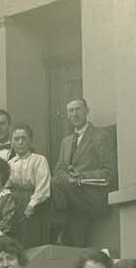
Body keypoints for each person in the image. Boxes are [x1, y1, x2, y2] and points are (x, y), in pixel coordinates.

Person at [51, 98, 118, 247]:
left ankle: (60, 227)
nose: (74, 114)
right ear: (67, 115)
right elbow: (59, 170)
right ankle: (62, 226)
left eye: (78, 109)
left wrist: (81, 177)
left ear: (87, 111)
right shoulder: (66, 142)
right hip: (71, 196)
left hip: (92, 195)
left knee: (56, 184)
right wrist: (68, 177)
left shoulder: (101, 136)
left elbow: (110, 172)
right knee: (53, 182)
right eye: (71, 111)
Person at [5, 123, 53, 249]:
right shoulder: (9, 164)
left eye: (23, 138)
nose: (20, 142)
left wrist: (32, 205)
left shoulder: (39, 160)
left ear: (30, 141)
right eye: (16, 139)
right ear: (12, 142)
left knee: (34, 240)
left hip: (37, 205)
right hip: (16, 204)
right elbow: (5, 186)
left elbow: (42, 186)